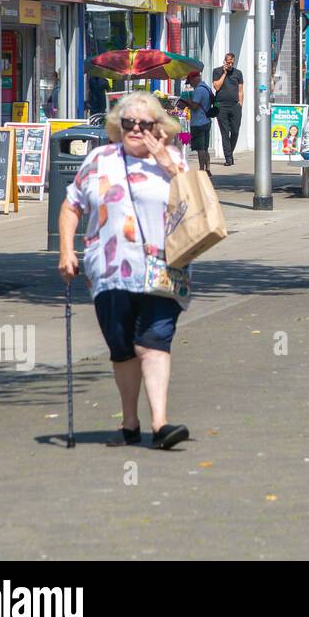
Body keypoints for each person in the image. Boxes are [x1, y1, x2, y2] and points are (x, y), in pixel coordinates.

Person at [57, 91, 190, 450]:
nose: (135, 129)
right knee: (122, 347)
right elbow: (72, 206)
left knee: (154, 341)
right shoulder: (99, 159)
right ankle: (130, 422)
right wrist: (67, 251)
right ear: (117, 125)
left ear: (159, 127)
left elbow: (196, 203)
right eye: (128, 123)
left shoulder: (175, 161)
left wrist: (167, 162)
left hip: (164, 268)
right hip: (110, 269)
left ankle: (161, 424)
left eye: (143, 124)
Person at [211, 52, 243, 167]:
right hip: (221, 106)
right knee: (225, 133)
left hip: (235, 106)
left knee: (235, 132)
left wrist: (240, 104)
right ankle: (228, 158)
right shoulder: (217, 71)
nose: (230, 64)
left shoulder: (238, 73)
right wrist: (224, 74)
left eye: (231, 62)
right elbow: (216, 86)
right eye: (228, 62)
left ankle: (230, 153)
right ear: (224, 61)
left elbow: (240, 90)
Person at [182, 70, 214, 176]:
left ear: (194, 79)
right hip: (206, 121)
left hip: (198, 122)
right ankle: (208, 169)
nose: (190, 84)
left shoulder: (198, 90)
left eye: (190, 82)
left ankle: (201, 170)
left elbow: (195, 107)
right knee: (205, 148)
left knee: (200, 148)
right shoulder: (207, 88)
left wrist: (187, 101)